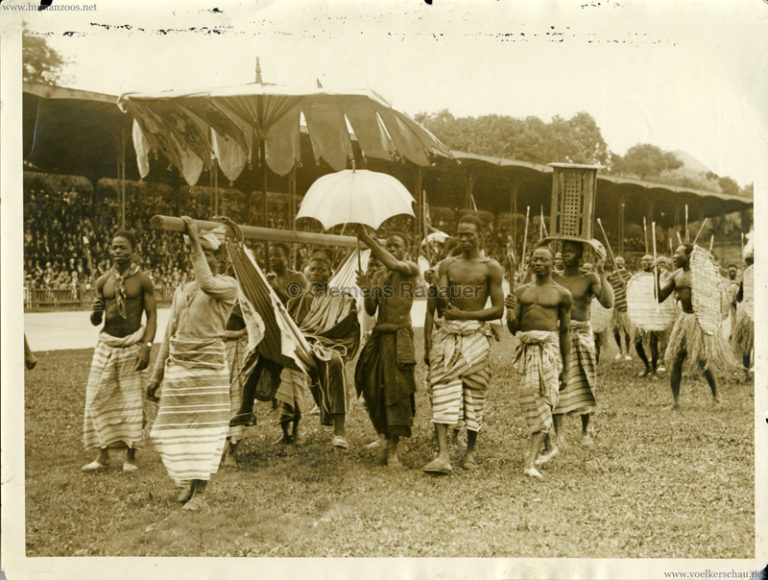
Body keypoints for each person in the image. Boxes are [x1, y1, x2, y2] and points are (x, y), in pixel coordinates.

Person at [147, 217, 237, 510]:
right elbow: (170, 333)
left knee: (204, 431)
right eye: (199, 254)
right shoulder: (182, 290)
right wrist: (156, 375)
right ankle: (188, 481)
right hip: (180, 367)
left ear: (218, 258)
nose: (201, 258)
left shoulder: (227, 285)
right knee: (172, 429)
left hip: (207, 368)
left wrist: (195, 239)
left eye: (208, 254)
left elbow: (207, 282)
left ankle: (201, 492)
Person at [422, 214, 504, 474]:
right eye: (461, 234)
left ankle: (470, 452)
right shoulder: (447, 265)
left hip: (475, 337)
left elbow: (498, 309)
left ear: (481, 236)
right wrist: (434, 284)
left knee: (474, 393)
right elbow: (444, 304)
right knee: (443, 388)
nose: (465, 239)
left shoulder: (491, 267)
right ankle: (443, 454)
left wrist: (466, 316)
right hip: (448, 335)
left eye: (470, 234)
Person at [82, 230, 157, 473]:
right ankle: (102, 454)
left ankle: (130, 457)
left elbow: (152, 316)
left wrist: (146, 347)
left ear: (133, 250)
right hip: (107, 345)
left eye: (122, 247)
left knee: (131, 401)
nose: (117, 251)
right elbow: (96, 321)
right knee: (96, 396)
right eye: (114, 247)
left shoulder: (143, 281)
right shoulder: (103, 281)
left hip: (132, 344)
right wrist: (94, 312)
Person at [355, 227, 419, 468]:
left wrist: (369, 241)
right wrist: (366, 288)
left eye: (396, 245)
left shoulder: (410, 268)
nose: (392, 249)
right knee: (372, 390)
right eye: (388, 245)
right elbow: (372, 309)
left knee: (396, 393)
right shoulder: (381, 274)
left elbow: (395, 264)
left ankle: (393, 451)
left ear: (407, 250)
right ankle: (382, 435)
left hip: (399, 337)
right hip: (380, 336)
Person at [506, 247, 571, 479]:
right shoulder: (522, 292)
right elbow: (514, 328)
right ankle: (548, 446)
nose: (539, 263)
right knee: (530, 397)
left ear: (552, 263)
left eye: (543, 259)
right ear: (530, 263)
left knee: (544, 400)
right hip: (527, 350)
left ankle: (531, 462)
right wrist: (510, 312)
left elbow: (564, 332)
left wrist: (567, 369)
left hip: (548, 351)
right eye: (535, 259)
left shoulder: (562, 294)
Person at [286, 253, 361, 448]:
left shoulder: (341, 299)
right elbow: (289, 327)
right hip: (303, 347)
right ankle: (286, 431)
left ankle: (339, 431)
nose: (317, 273)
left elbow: (347, 329)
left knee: (334, 361)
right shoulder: (298, 300)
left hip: (331, 345)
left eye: (322, 270)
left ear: (331, 273)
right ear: (306, 272)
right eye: (313, 269)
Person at [551, 240, 613, 447]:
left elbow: (607, 302)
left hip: (582, 333)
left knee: (587, 379)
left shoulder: (589, 278)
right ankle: (559, 434)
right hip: (558, 333)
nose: (566, 254)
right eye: (564, 251)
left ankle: (586, 429)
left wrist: (602, 272)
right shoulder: (553, 277)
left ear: (579, 256)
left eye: (571, 251)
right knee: (557, 380)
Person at [657, 244, 733, 409]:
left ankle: (717, 397)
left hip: (699, 321)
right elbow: (660, 297)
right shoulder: (676, 275)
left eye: (678, 253)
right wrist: (655, 278)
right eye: (675, 254)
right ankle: (675, 403)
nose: (674, 256)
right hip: (684, 320)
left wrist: (709, 321)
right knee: (676, 360)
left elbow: (715, 297)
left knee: (702, 360)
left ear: (689, 255)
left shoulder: (702, 275)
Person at [632, 254, 664, 378]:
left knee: (653, 342)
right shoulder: (637, 277)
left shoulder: (657, 276)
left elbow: (660, 294)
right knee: (637, 342)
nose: (645, 261)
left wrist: (657, 275)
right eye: (643, 259)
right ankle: (647, 366)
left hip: (652, 313)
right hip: (640, 312)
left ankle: (654, 370)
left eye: (648, 260)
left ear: (653, 262)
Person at [607, 256, 632, 361]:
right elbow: (607, 288)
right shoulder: (611, 276)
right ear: (614, 264)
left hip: (625, 304)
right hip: (615, 305)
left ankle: (627, 352)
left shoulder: (629, 275)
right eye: (617, 261)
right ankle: (620, 351)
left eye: (621, 261)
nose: (619, 263)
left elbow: (632, 287)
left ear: (624, 263)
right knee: (615, 330)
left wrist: (625, 284)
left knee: (627, 330)